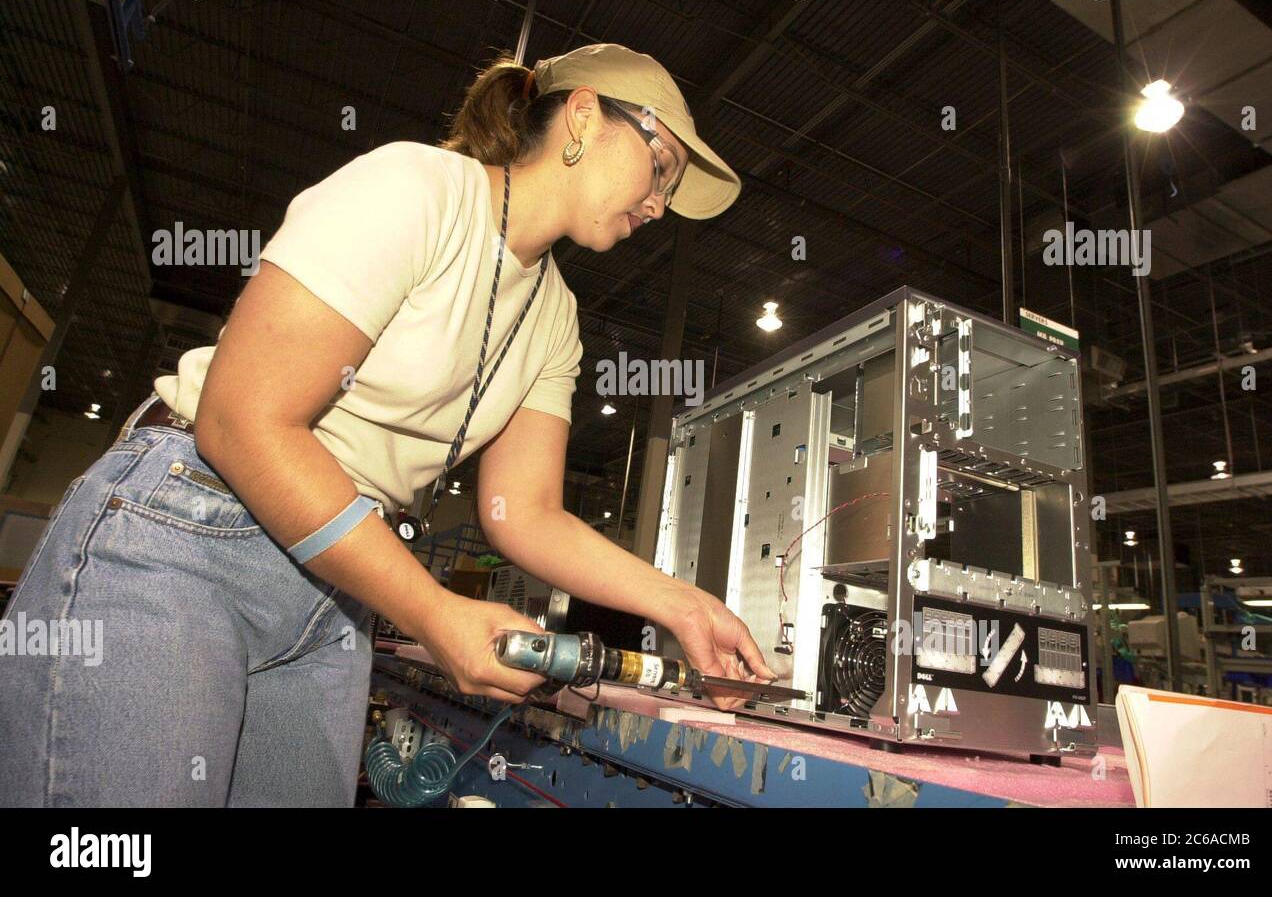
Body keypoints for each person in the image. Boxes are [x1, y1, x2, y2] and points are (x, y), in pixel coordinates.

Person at [0, 43, 775, 807]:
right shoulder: (418, 189)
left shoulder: (555, 317)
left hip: (336, 585)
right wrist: (433, 611)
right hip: (191, 531)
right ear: (581, 117)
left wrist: (682, 605)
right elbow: (242, 421)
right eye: (661, 167)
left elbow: (525, 511)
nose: (659, 204)